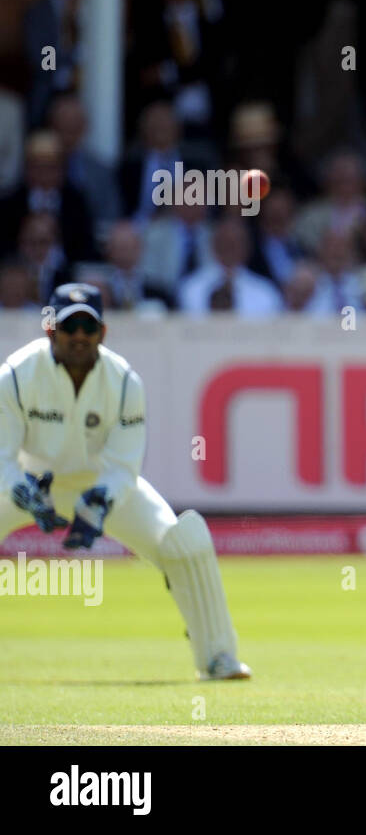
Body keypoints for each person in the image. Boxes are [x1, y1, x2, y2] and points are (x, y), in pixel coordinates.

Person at [0, 284, 251, 680]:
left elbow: (123, 465)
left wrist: (98, 503)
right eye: (70, 326)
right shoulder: (15, 375)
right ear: (51, 330)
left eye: (88, 326)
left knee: (183, 541)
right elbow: (3, 458)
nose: (79, 336)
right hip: (31, 480)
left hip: (99, 482)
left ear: (103, 332)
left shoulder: (123, 381)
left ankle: (219, 656)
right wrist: (28, 497)